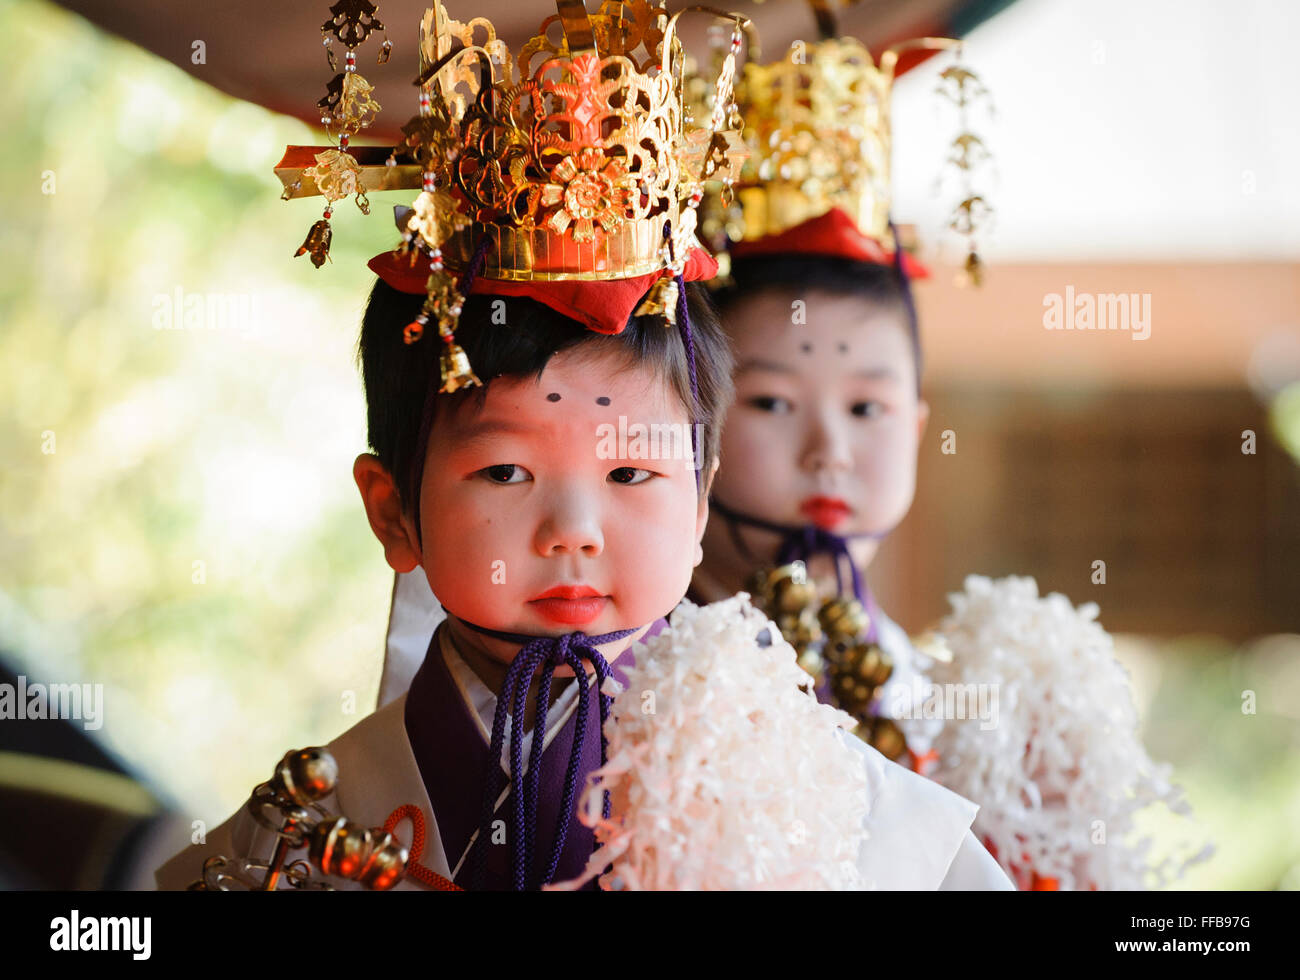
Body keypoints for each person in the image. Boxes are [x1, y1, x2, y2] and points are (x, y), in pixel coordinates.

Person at [155, 0, 1011, 891]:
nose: (575, 529)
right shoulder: (305, 828)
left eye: (632, 470)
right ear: (392, 509)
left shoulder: (842, 803)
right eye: (505, 470)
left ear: (699, 496)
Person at [687, 16, 981, 772]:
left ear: (917, 425)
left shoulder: (953, 712)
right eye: (773, 403)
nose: (831, 455)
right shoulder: (617, 695)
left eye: (865, 408)